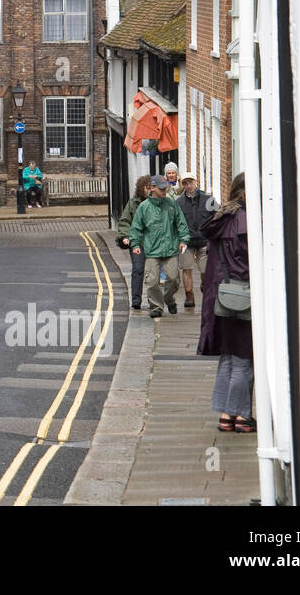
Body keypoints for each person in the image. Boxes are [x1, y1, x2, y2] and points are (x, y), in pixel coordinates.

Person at [198, 173, 254, 433]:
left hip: (218, 298)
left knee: (228, 358)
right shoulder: (247, 221)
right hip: (242, 298)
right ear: (245, 192)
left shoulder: (220, 219)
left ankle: (225, 415)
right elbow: (245, 264)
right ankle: (241, 417)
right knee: (244, 359)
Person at [130, 174, 190, 318]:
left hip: (170, 248)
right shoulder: (144, 207)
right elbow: (136, 227)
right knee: (151, 281)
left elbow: (181, 223)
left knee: (174, 279)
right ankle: (156, 307)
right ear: (152, 188)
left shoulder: (171, 204)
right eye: (161, 188)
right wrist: (135, 244)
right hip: (151, 250)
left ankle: (168, 299)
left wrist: (183, 240)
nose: (164, 191)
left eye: (165, 188)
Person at [176, 170, 217, 309]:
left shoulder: (208, 199)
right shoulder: (179, 202)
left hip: (204, 240)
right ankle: (189, 295)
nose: (188, 185)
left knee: (205, 270)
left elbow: (217, 216)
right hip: (186, 241)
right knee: (186, 268)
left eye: (190, 182)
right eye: (185, 183)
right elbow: (175, 221)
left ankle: (205, 285)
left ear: (196, 182)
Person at [117, 174, 153, 310]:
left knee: (152, 272)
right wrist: (125, 236)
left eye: (151, 187)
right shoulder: (133, 203)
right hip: (137, 242)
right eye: (146, 187)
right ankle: (136, 300)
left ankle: (153, 300)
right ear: (141, 188)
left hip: (152, 244)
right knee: (138, 269)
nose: (149, 190)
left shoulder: (157, 203)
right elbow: (125, 221)